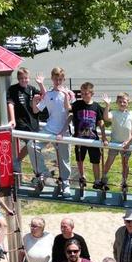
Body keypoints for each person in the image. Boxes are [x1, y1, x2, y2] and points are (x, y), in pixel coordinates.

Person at [34, 67, 75, 196]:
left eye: (60, 79)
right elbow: (37, 109)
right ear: (52, 79)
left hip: (64, 131)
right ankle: (44, 172)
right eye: (56, 79)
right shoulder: (49, 93)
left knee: (64, 160)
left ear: (63, 79)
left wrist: (62, 131)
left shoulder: (69, 93)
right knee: (32, 145)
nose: (58, 81)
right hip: (49, 129)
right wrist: (37, 94)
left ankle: (65, 184)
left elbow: (71, 113)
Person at [69, 81, 107, 192]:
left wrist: (104, 137)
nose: (84, 95)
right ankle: (82, 176)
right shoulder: (77, 104)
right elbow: (68, 109)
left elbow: (101, 122)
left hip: (92, 139)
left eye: (86, 93)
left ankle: (97, 180)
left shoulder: (96, 106)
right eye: (82, 93)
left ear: (92, 93)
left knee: (95, 160)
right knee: (80, 159)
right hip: (79, 139)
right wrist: (67, 96)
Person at [7, 67, 44, 178]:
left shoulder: (31, 89)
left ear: (29, 78)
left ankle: (17, 160)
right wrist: (12, 119)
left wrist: (41, 84)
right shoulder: (13, 89)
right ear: (18, 79)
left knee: (31, 145)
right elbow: (10, 103)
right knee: (31, 144)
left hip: (33, 122)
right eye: (21, 78)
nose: (24, 80)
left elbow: (45, 95)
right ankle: (39, 172)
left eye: (26, 78)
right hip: (21, 122)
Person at [97, 91, 132, 192]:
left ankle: (124, 181)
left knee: (125, 163)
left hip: (127, 144)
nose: (122, 104)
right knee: (109, 161)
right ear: (116, 102)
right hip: (114, 142)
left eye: (124, 102)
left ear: (128, 102)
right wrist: (107, 105)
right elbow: (106, 117)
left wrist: (129, 141)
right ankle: (104, 178)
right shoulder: (114, 113)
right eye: (120, 102)